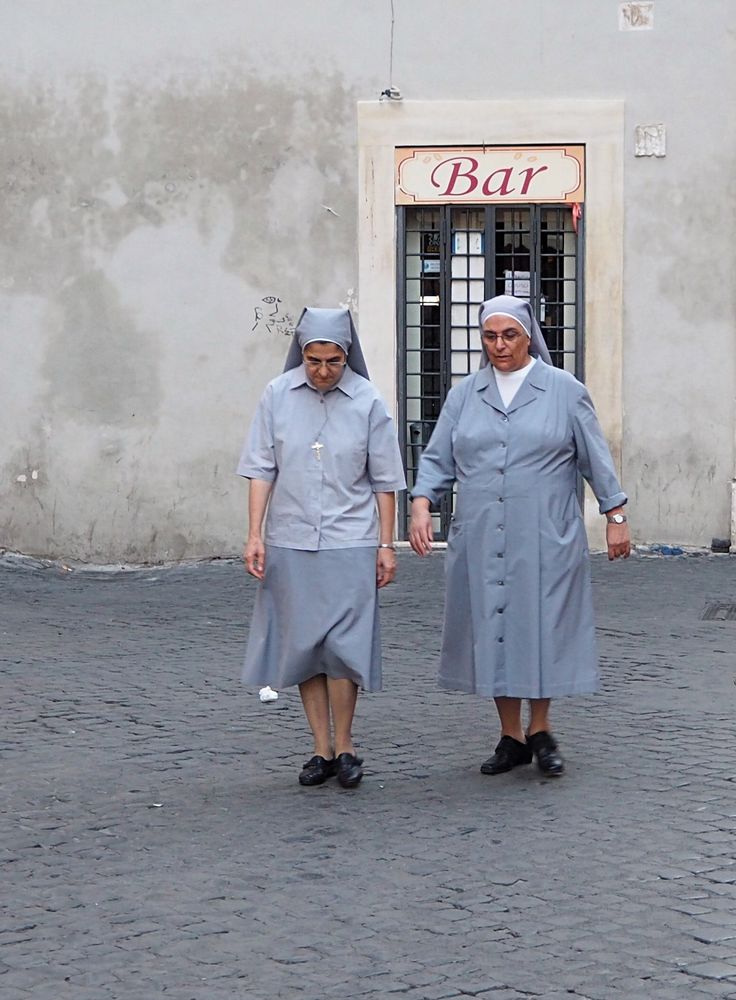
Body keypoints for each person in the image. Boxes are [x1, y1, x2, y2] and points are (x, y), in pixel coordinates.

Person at [409, 295, 630, 777]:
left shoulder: (564, 390)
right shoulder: (465, 394)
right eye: (490, 337)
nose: (499, 346)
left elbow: (594, 455)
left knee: (542, 624)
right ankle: (510, 735)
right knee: (494, 625)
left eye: (509, 335)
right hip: (484, 532)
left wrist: (615, 515)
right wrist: (422, 502)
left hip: (545, 532)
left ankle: (541, 728)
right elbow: (439, 456)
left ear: (529, 335)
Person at [238, 307, 406, 788]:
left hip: (350, 538)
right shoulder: (276, 395)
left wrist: (385, 544)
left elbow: (385, 480)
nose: (323, 371)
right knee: (304, 646)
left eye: (333, 361)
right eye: (313, 361)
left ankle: (347, 743)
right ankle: (321, 749)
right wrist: (255, 534)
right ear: (302, 354)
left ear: (347, 355)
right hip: (290, 538)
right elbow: (260, 469)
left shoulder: (369, 401)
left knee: (343, 647)